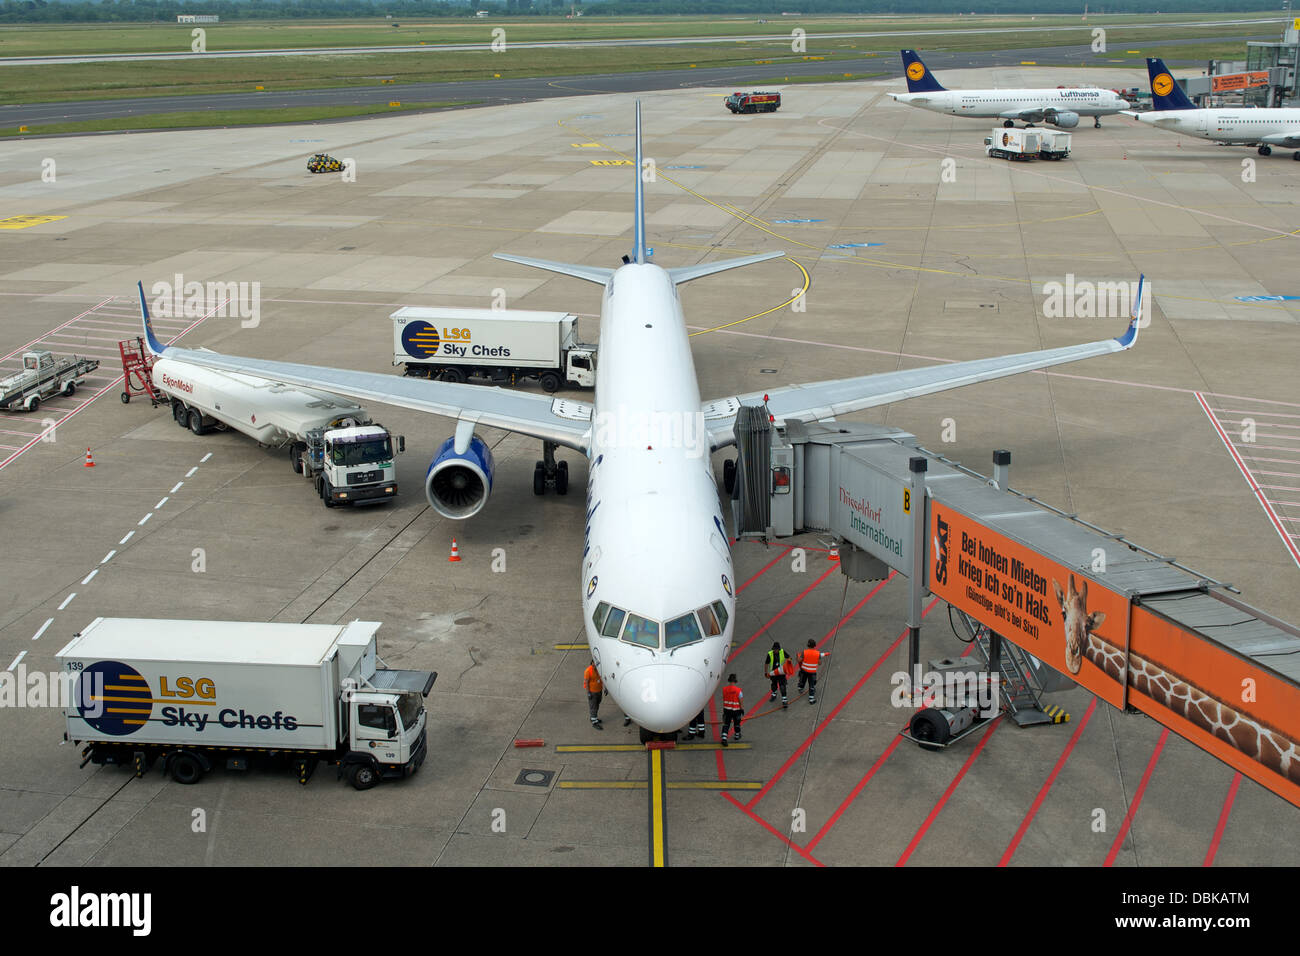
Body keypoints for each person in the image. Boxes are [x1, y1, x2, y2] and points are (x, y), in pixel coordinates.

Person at [797, 638, 830, 704]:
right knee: (811, 684)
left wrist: (799, 656)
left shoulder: (804, 652)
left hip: (804, 670)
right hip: (812, 672)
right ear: (814, 646)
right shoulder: (817, 654)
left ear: (808, 645)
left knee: (802, 680)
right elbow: (819, 663)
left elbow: (799, 660)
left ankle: (800, 688)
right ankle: (811, 699)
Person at [765, 641, 791, 709]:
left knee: (782, 685)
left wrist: (789, 661)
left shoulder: (782, 651)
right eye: (775, 649)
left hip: (781, 672)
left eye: (777, 649)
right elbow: (766, 663)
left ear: (779, 649)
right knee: (774, 684)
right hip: (773, 673)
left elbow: (789, 657)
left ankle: (784, 699)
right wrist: (766, 672)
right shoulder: (770, 654)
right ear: (773, 649)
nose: (776, 650)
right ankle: (774, 693)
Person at [720, 674, 744, 746]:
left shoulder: (724, 689)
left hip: (727, 710)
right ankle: (737, 735)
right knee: (737, 723)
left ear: (729, 680)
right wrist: (742, 709)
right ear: (735, 681)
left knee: (726, 724)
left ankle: (724, 738)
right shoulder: (738, 690)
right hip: (736, 710)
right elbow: (740, 700)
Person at [583, 660, 604, 729]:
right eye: (595, 663)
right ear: (592, 663)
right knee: (593, 707)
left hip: (599, 691)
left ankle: (594, 718)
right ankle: (594, 722)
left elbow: (602, 678)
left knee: (597, 705)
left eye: (597, 663)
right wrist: (588, 693)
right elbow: (586, 682)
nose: (596, 665)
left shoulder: (599, 669)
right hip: (593, 692)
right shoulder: (588, 671)